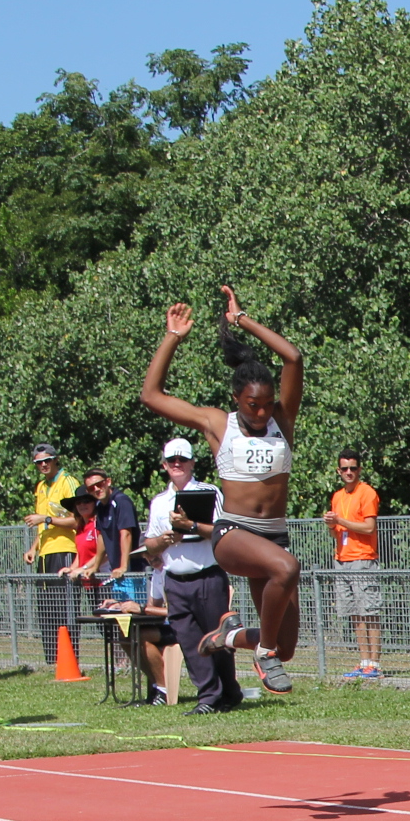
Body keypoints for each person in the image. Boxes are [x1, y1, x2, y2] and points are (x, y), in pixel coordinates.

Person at [139, 287, 307, 693]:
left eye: (267, 403)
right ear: (237, 399)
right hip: (234, 534)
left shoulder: (281, 421)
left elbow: (294, 357)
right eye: (252, 405)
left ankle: (227, 636)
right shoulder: (219, 424)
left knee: (285, 647)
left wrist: (241, 319)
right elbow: (151, 395)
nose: (261, 411)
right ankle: (261, 654)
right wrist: (172, 338)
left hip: (274, 535)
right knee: (287, 568)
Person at [144, 436, 233, 711]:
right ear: (164, 465)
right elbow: (149, 545)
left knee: (216, 639)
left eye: (182, 459)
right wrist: (165, 540)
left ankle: (228, 692)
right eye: (172, 460)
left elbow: (222, 530)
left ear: (193, 462)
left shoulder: (210, 492)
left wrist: (191, 525)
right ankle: (207, 696)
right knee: (190, 641)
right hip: (175, 580)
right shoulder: (159, 502)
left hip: (207, 576)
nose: (177, 464)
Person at [324, 449, 383, 681]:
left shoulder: (367, 493)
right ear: (339, 471)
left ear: (359, 470)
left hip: (363, 559)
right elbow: (336, 532)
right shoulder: (337, 496)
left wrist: (340, 521)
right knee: (354, 613)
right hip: (342, 560)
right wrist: (331, 524)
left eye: (353, 468)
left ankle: (375, 664)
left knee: (370, 612)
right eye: (345, 469)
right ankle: (364, 661)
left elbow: (369, 527)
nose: (349, 472)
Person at [23, 442, 82, 661]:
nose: (43, 465)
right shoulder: (40, 487)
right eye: (39, 462)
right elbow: (42, 527)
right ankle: (51, 659)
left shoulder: (69, 482)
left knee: (65, 608)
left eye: (47, 460)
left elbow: (79, 520)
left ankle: (69, 659)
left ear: (56, 459)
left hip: (65, 551)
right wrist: (32, 549)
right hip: (44, 554)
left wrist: (46, 519)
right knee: (46, 608)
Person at [83, 469, 139, 581]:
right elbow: (102, 537)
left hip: (133, 571)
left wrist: (123, 567)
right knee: (118, 599)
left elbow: (126, 534)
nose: (97, 489)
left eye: (99, 484)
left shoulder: (121, 501)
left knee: (133, 599)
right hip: (116, 571)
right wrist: (95, 566)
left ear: (108, 482)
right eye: (91, 488)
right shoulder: (100, 506)